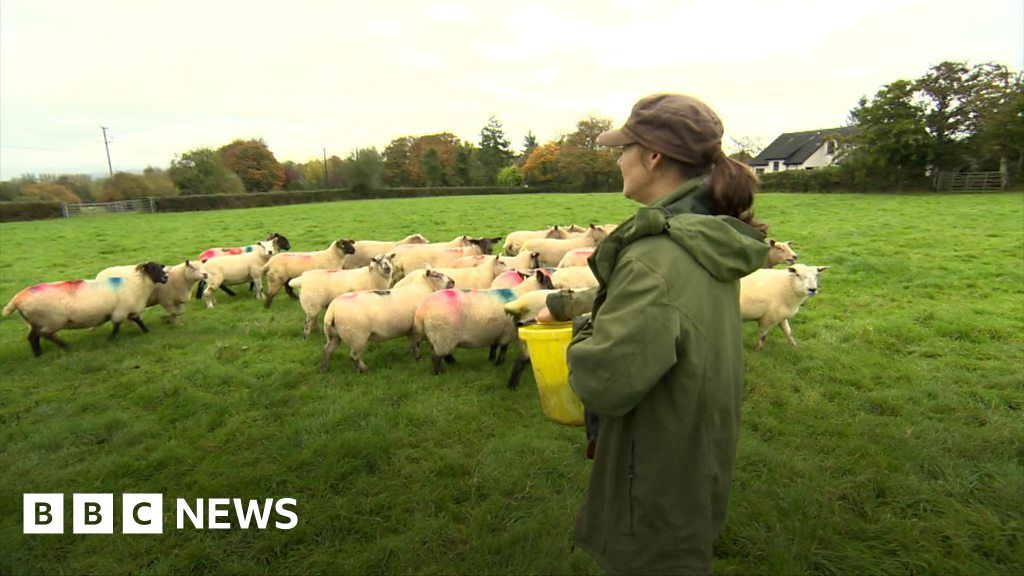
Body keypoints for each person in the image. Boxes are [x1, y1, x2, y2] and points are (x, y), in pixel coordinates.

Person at [540, 94, 770, 575]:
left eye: (623, 148)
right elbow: (673, 309)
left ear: (652, 156)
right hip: (694, 443)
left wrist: (581, 331)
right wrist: (573, 303)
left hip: (652, 468)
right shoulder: (704, 236)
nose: (618, 159)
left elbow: (604, 379)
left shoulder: (655, 255)